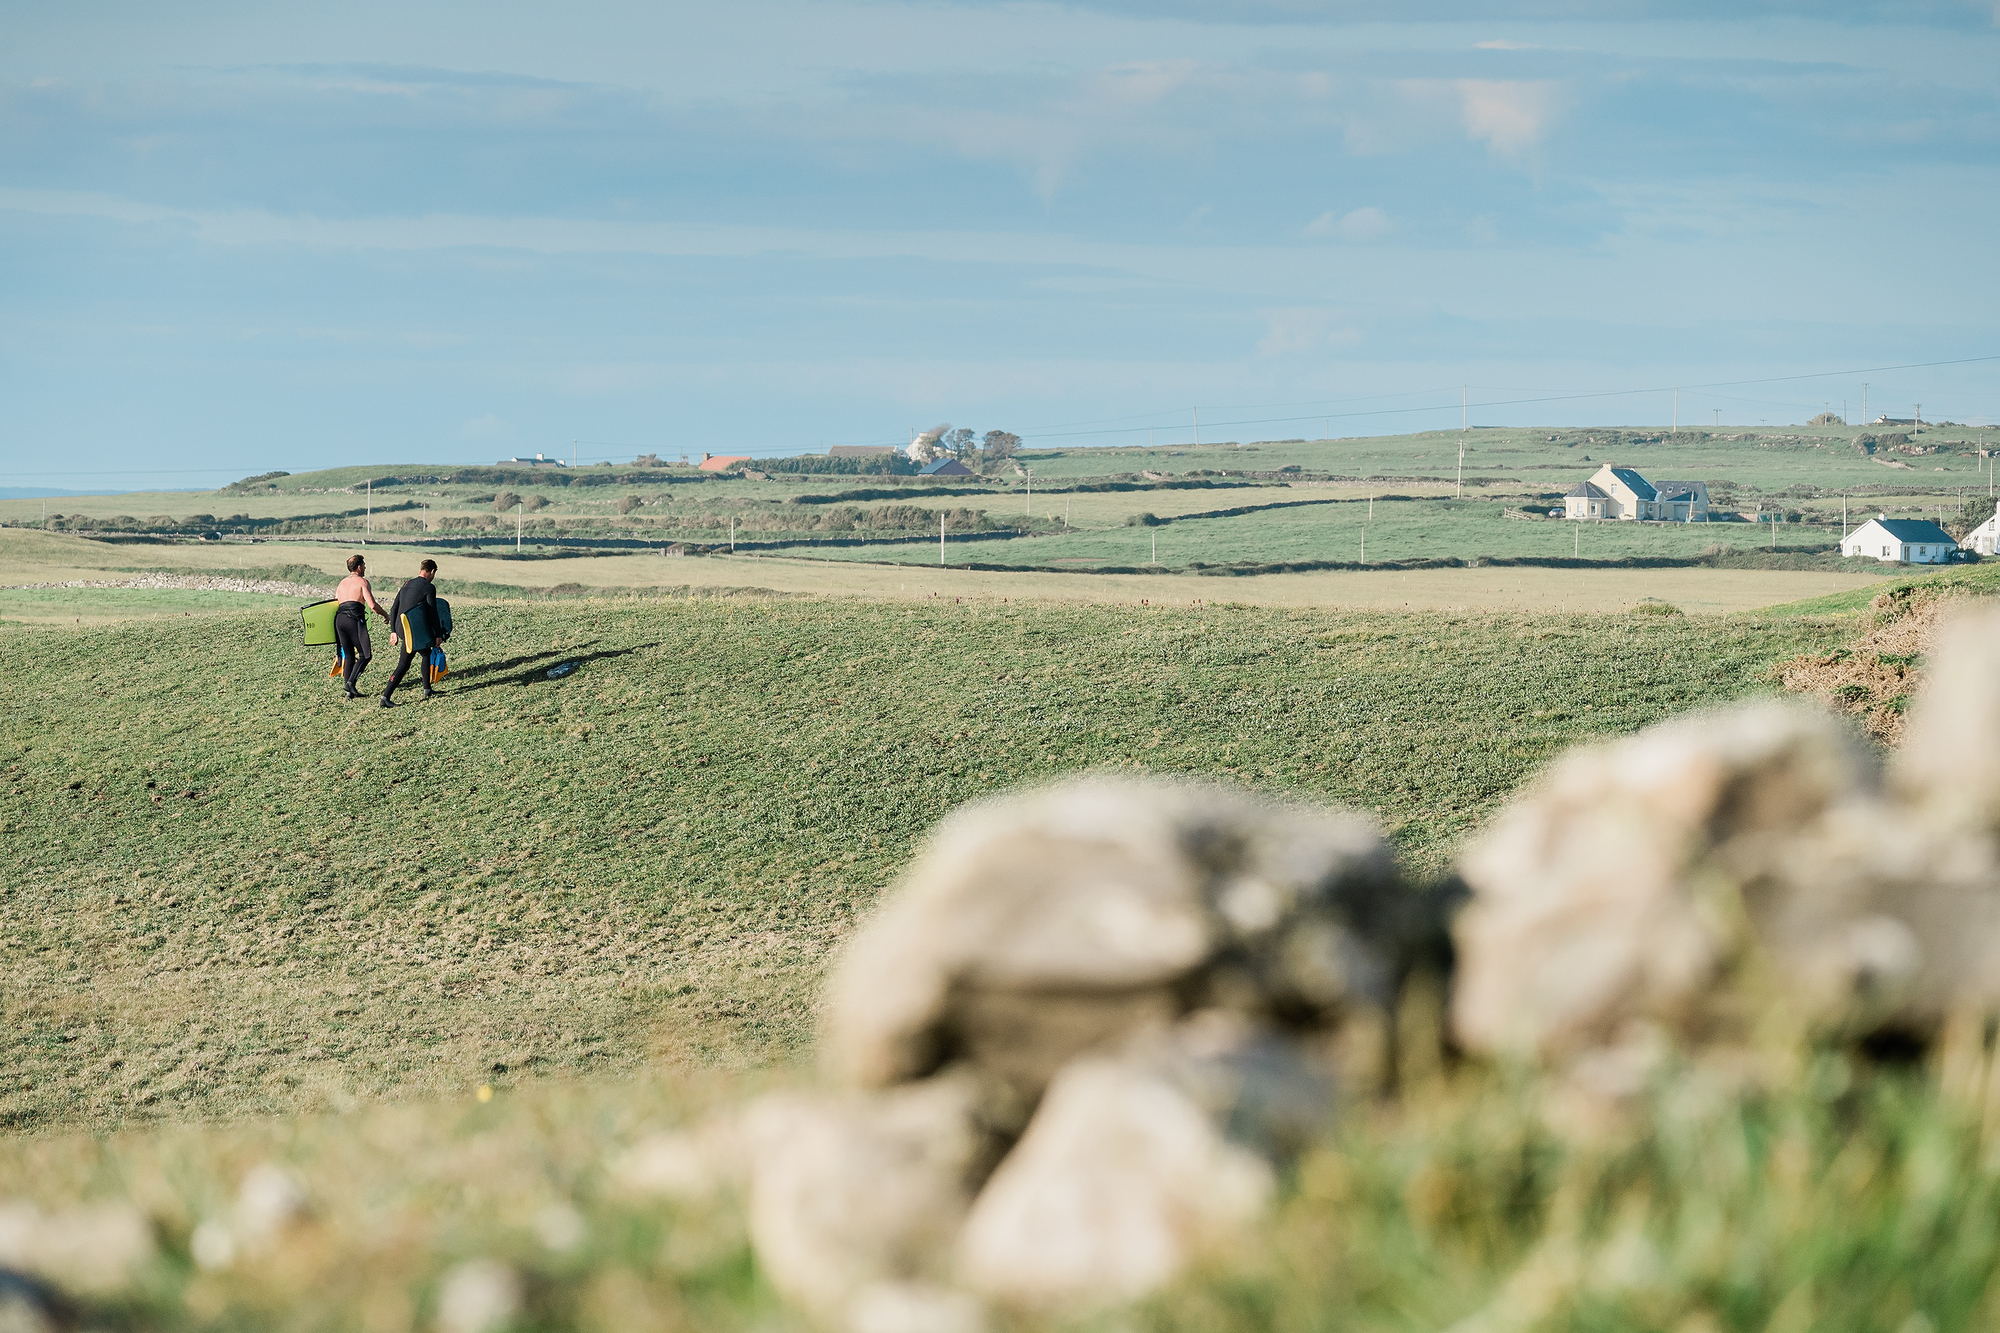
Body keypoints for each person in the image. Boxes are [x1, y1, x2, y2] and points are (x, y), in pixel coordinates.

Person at [381, 558, 444, 707]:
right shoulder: (429, 587)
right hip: (412, 630)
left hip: (401, 627)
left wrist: (394, 631)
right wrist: (438, 634)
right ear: (432, 571)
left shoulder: (407, 584)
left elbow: (394, 608)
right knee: (404, 663)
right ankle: (385, 697)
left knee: (426, 653)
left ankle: (427, 689)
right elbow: (432, 612)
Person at [331, 554, 390, 700]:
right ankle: (350, 683)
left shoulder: (341, 583)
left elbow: (335, 602)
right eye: (363, 565)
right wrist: (385, 615)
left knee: (350, 655)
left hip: (339, 620)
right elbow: (372, 605)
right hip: (354, 619)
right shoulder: (363, 582)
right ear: (359, 567)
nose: (364, 567)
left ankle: (349, 693)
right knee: (366, 654)